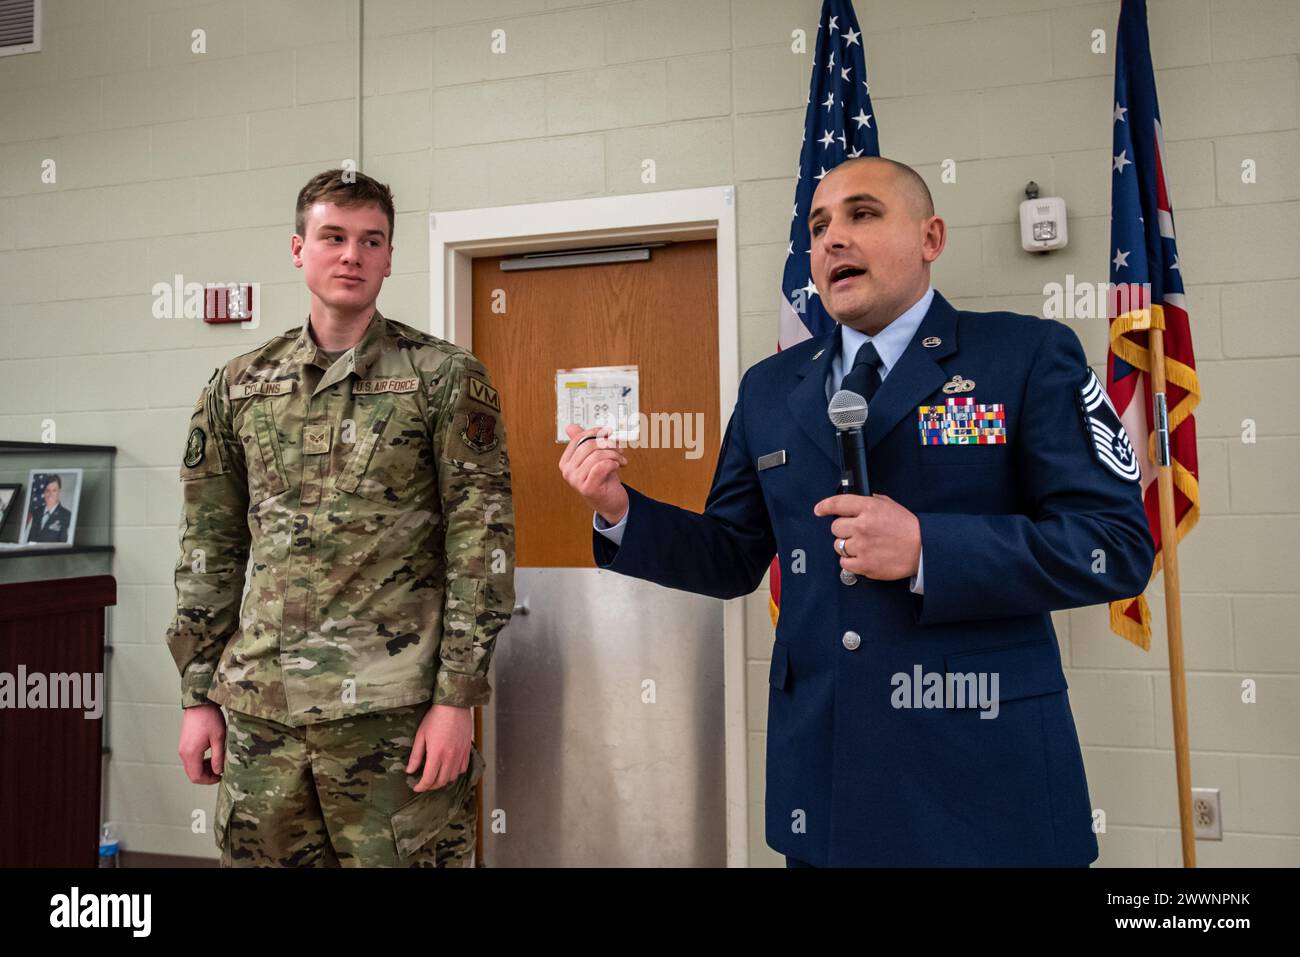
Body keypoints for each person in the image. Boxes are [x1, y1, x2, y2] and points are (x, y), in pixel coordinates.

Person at [559, 156, 1154, 867]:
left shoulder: (1024, 356)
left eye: (862, 214)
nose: (832, 238)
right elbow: (732, 554)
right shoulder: (772, 388)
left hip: (986, 785)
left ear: (930, 237)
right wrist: (619, 509)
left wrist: (927, 548)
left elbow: (1114, 545)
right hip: (829, 787)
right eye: (818, 226)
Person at [165, 169, 515, 867]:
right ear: (300, 249)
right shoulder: (238, 385)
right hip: (264, 718)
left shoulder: (443, 377)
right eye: (333, 236)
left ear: (389, 257)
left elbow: (482, 545)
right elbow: (210, 546)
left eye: (370, 240)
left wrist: (458, 700)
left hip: (393, 718)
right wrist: (196, 694)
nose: (351, 254)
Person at [26, 474, 72, 543]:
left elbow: (64, 544)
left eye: (54, 490)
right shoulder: (36, 512)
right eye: (47, 490)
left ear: (59, 492)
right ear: (44, 492)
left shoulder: (67, 515)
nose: (50, 494)